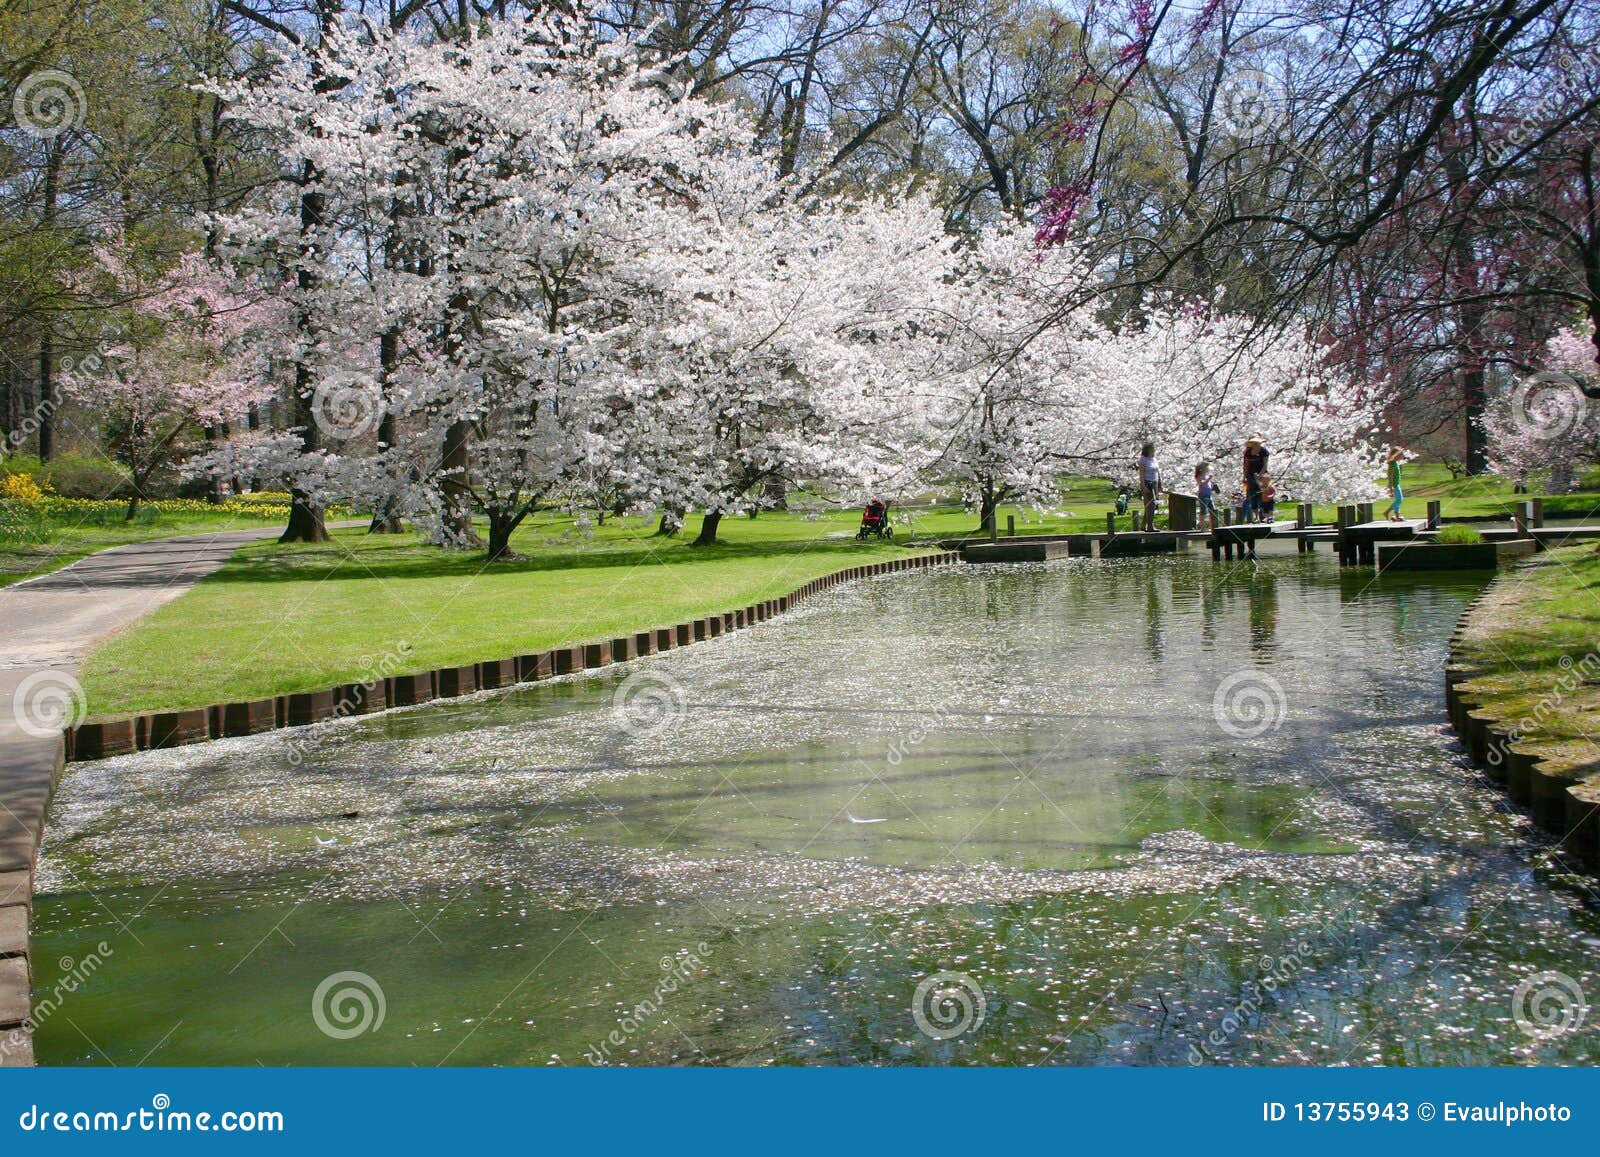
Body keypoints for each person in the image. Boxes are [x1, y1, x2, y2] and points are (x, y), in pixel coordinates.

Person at [1241, 435, 1269, 521]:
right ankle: (1256, 516)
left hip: (1262, 477)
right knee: (1252, 496)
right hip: (1250, 476)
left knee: (1262, 496)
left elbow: (1265, 465)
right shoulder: (1248, 452)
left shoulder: (1264, 451)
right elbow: (1246, 465)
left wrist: (1260, 475)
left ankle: (1263, 516)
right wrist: (1244, 476)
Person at [1137, 442, 1160, 531]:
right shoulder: (1143, 460)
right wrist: (1143, 486)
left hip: (1155, 482)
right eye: (1152, 449)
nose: (1154, 450)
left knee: (1150, 505)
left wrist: (1160, 484)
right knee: (1151, 505)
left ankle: (1143, 525)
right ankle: (1150, 526)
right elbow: (1141, 474)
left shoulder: (1154, 459)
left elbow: (1157, 472)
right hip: (1148, 483)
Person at [1194, 460, 1218, 531]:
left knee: (1213, 510)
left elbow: (1208, 485)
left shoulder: (1206, 475)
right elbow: (1201, 484)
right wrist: (1209, 479)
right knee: (1203, 511)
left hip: (1209, 494)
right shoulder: (1199, 475)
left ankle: (1213, 527)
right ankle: (1203, 528)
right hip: (1203, 495)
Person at [1385, 448, 1405, 521]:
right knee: (1400, 500)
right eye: (1400, 455)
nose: (1401, 457)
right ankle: (1387, 512)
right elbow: (1390, 476)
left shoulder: (1396, 463)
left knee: (1398, 500)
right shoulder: (1392, 464)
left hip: (1397, 484)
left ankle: (1397, 516)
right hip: (1394, 485)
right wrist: (1390, 487)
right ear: (1395, 455)